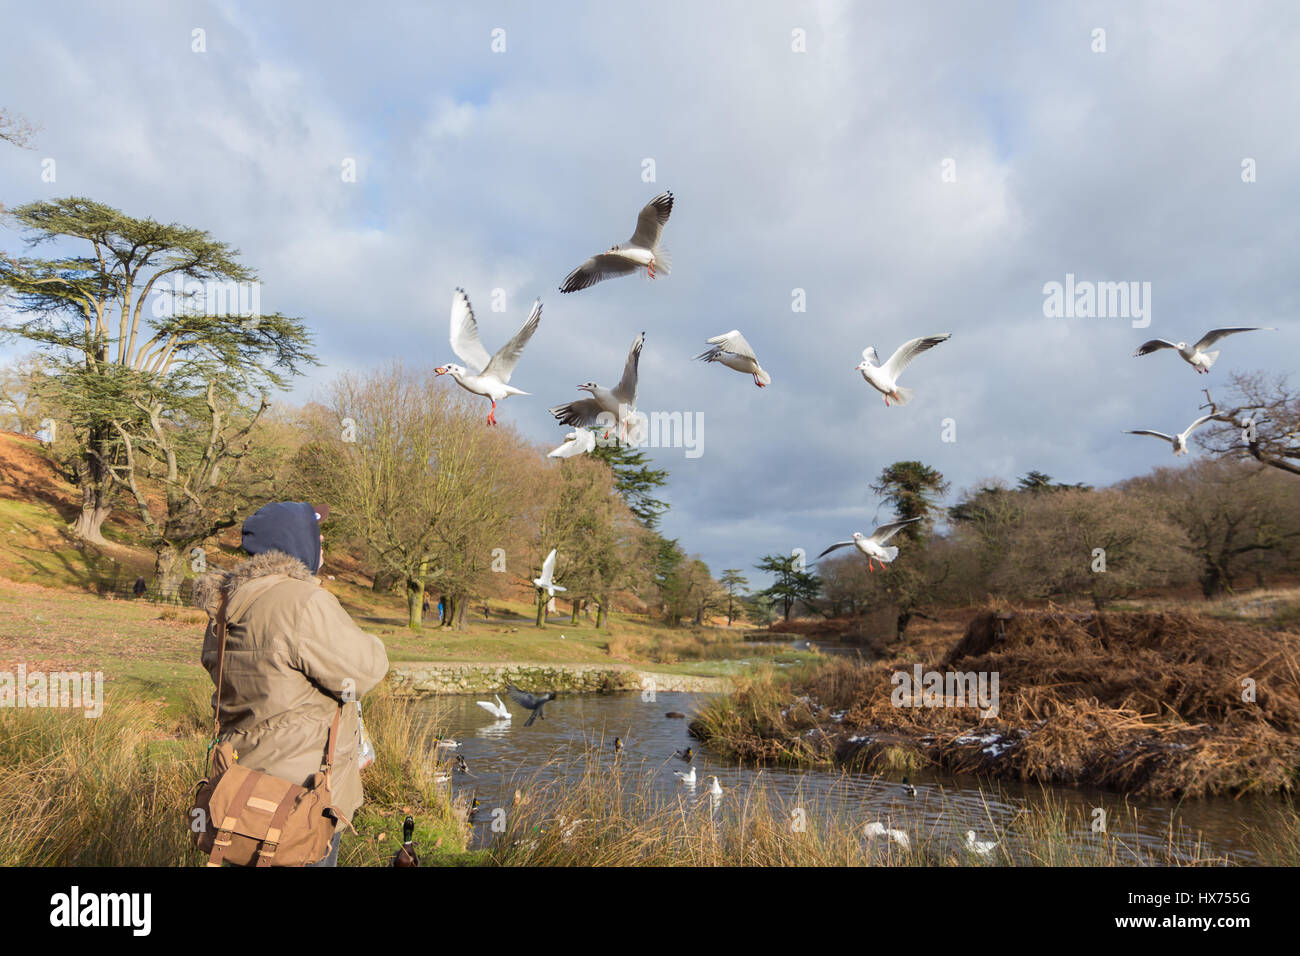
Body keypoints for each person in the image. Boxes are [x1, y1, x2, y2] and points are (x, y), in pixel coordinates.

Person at [193, 501, 389, 867]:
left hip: (238, 792)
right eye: (318, 539)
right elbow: (366, 669)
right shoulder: (303, 603)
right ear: (299, 544)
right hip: (300, 800)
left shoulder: (225, 604)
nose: (324, 549)